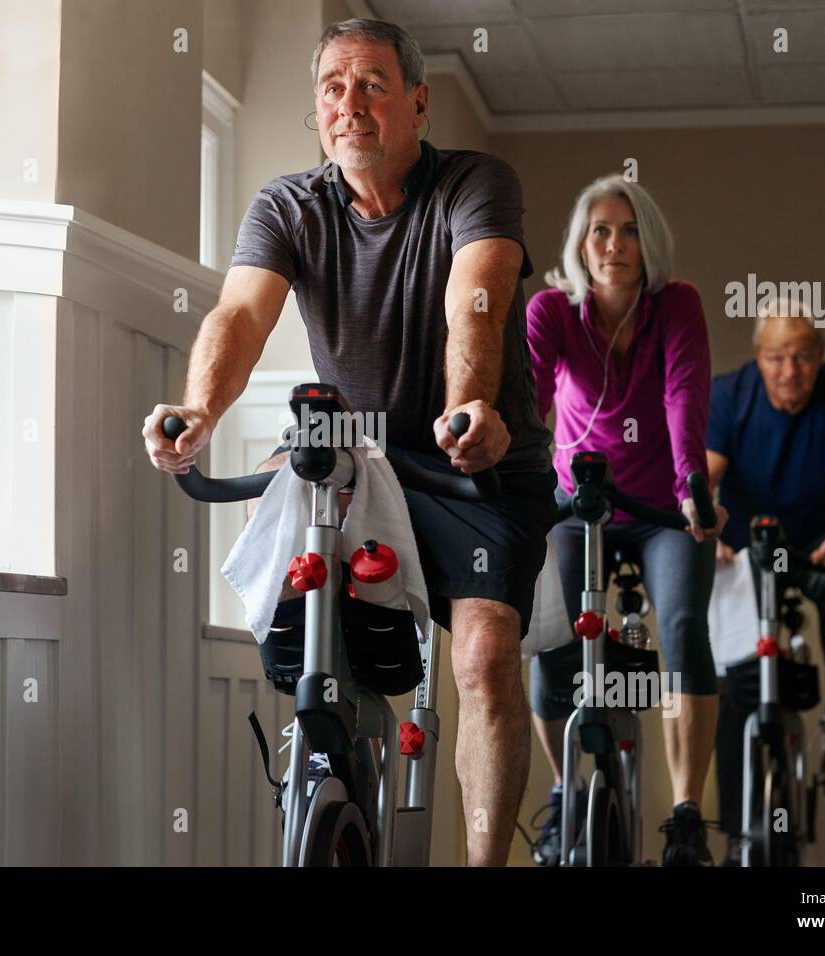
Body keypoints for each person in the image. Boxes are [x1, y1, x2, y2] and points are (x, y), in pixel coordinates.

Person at [142, 17, 557, 866]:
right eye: (333, 87)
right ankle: (334, 769)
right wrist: (198, 413)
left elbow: (474, 298)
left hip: (471, 461)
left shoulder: (476, 183)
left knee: (481, 658)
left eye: (371, 84)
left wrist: (469, 404)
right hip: (355, 460)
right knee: (302, 625)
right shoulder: (289, 205)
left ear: (418, 102)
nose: (349, 104)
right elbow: (240, 314)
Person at [525, 174, 728, 867]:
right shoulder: (552, 310)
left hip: (661, 508)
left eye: (629, 230)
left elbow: (682, 394)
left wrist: (693, 486)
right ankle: (560, 794)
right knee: (552, 635)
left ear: (650, 243)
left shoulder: (678, 306)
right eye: (600, 230)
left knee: (679, 626)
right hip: (576, 504)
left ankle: (686, 815)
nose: (614, 244)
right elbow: (527, 399)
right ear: (582, 243)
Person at [708, 293, 825, 865]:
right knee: (737, 678)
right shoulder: (729, 396)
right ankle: (739, 835)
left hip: (820, 549)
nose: (791, 371)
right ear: (759, 358)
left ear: (821, 355)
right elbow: (704, 475)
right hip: (748, 553)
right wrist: (703, 527)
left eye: (804, 356)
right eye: (779, 357)